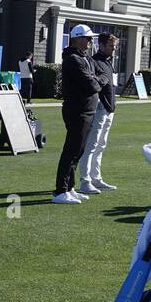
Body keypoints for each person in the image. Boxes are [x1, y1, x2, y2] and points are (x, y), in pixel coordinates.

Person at [52, 25, 100, 204]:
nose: (90, 41)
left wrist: (97, 80)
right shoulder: (73, 59)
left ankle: (69, 187)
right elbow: (92, 84)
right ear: (77, 39)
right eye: (87, 38)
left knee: (78, 151)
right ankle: (60, 191)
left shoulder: (84, 58)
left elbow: (98, 77)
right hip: (77, 110)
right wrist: (98, 81)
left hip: (87, 110)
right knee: (71, 151)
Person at [79, 33, 119, 195]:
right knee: (92, 144)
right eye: (111, 46)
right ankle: (85, 181)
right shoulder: (93, 61)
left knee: (101, 145)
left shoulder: (108, 63)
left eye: (115, 46)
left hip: (109, 109)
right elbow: (93, 84)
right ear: (101, 45)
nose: (113, 49)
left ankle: (96, 178)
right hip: (99, 108)